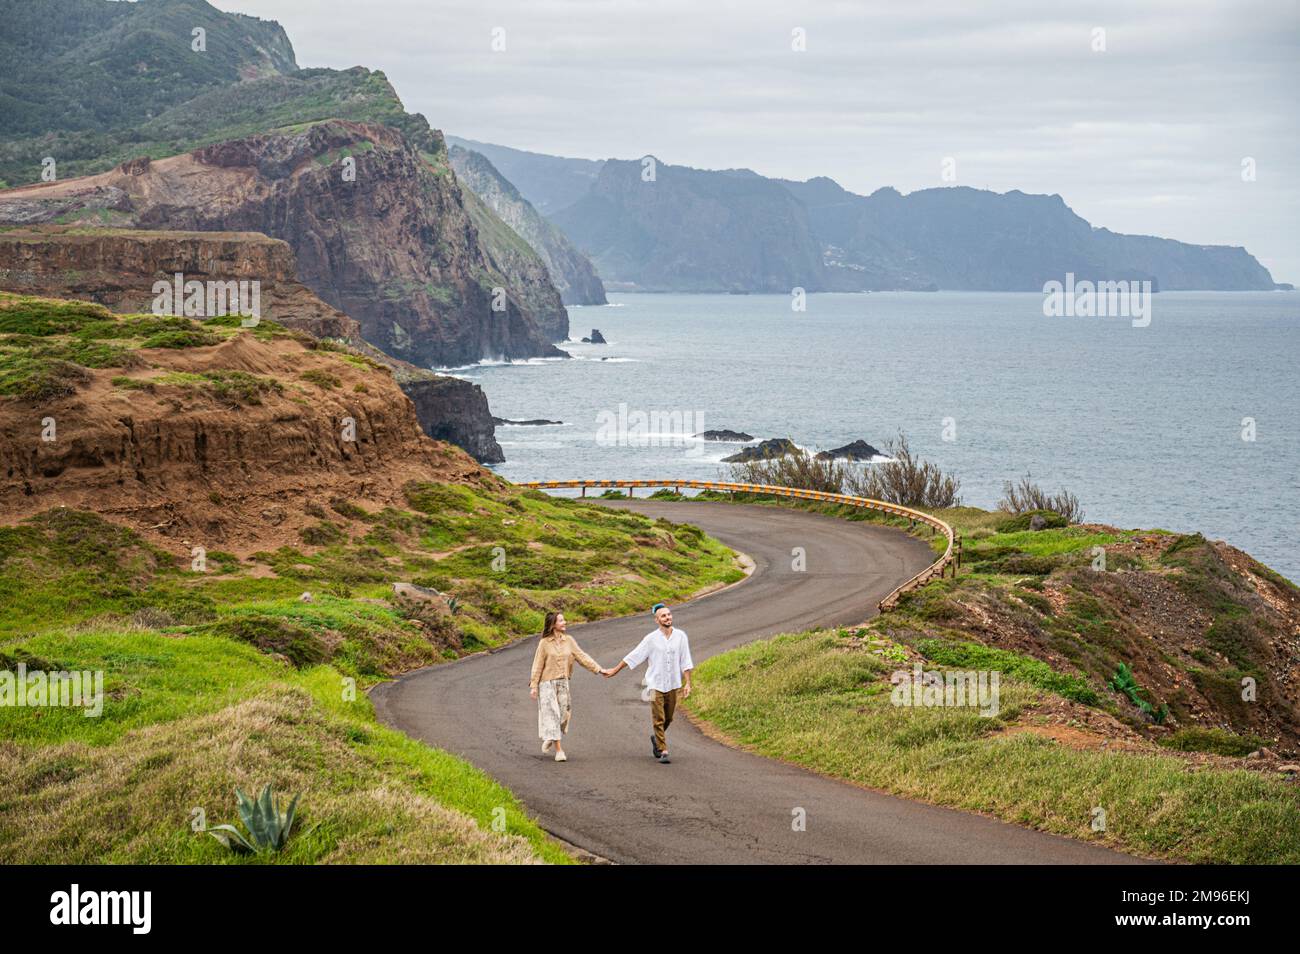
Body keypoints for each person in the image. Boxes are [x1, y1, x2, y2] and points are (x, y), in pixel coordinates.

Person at [604, 603, 693, 764]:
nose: (668, 617)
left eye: (669, 614)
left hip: (673, 683)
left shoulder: (681, 636)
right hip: (654, 684)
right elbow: (634, 656)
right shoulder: (651, 639)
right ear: (657, 620)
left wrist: (688, 683)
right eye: (663, 616)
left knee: (669, 718)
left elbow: (685, 660)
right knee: (658, 718)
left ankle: (656, 738)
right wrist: (615, 670)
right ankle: (663, 750)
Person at [529, 611, 609, 762]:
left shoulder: (569, 641)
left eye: (564, 620)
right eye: (561, 620)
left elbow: (582, 656)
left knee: (564, 715)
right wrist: (534, 685)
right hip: (547, 684)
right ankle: (559, 750)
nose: (565, 622)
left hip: (563, 682)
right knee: (552, 714)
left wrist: (599, 669)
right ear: (553, 625)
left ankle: (551, 737)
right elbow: (537, 665)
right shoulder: (544, 643)